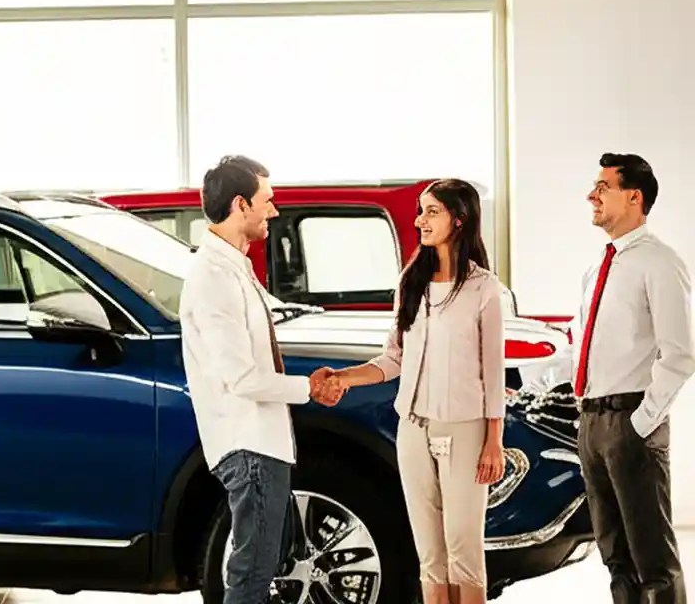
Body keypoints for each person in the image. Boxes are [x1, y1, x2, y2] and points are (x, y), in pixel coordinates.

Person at [322, 179, 506, 604]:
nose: (419, 220)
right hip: (413, 429)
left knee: (463, 547)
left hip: (464, 428)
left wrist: (494, 441)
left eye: (431, 212)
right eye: (421, 211)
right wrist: (344, 378)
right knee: (429, 551)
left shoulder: (484, 289)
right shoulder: (412, 281)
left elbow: (493, 373)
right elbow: (395, 358)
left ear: (458, 220)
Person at [178, 155, 341, 604]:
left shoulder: (234, 266)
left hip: (264, 442)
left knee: (267, 564)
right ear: (240, 204)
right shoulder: (213, 277)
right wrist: (309, 387)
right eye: (266, 201)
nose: (273, 210)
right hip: (248, 445)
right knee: (251, 574)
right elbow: (242, 377)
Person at [574, 153, 692, 604]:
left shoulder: (659, 263)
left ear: (634, 196)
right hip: (592, 424)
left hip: (631, 422)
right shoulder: (595, 270)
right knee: (614, 557)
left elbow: (680, 354)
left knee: (653, 561)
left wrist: (641, 422)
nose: (592, 195)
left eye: (603, 186)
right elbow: (584, 345)